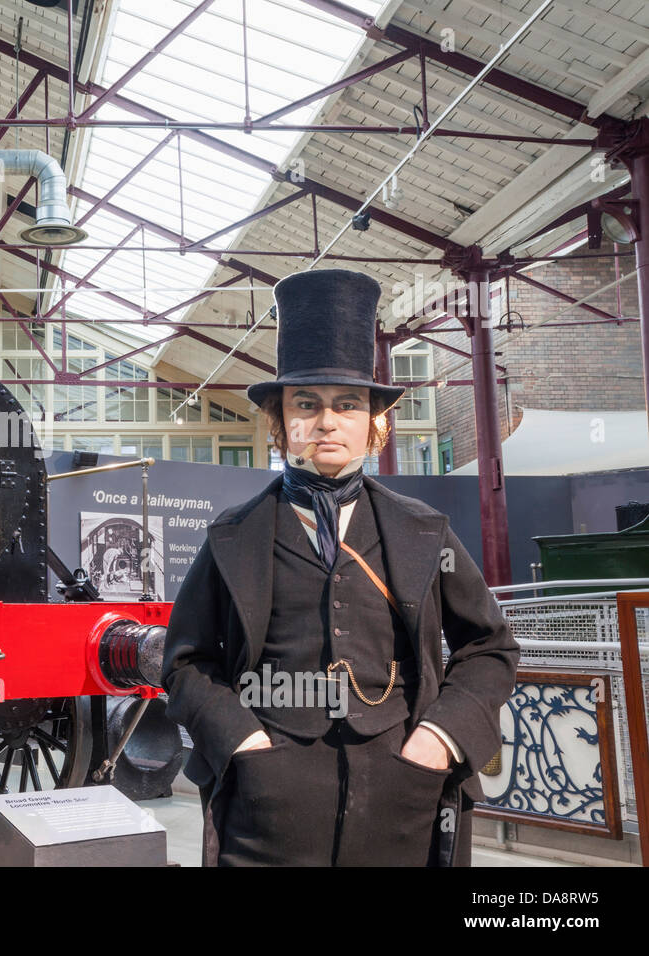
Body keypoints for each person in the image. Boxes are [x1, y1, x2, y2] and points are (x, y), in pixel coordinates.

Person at [162, 269, 519, 866]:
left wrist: (439, 738)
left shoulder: (422, 530)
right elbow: (186, 661)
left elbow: (489, 647)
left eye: (346, 404)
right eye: (307, 404)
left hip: (402, 793)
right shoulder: (233, 535)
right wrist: (243, 744)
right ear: (281, 422)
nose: (327, 421)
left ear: (371, 423)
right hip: (267, 806)